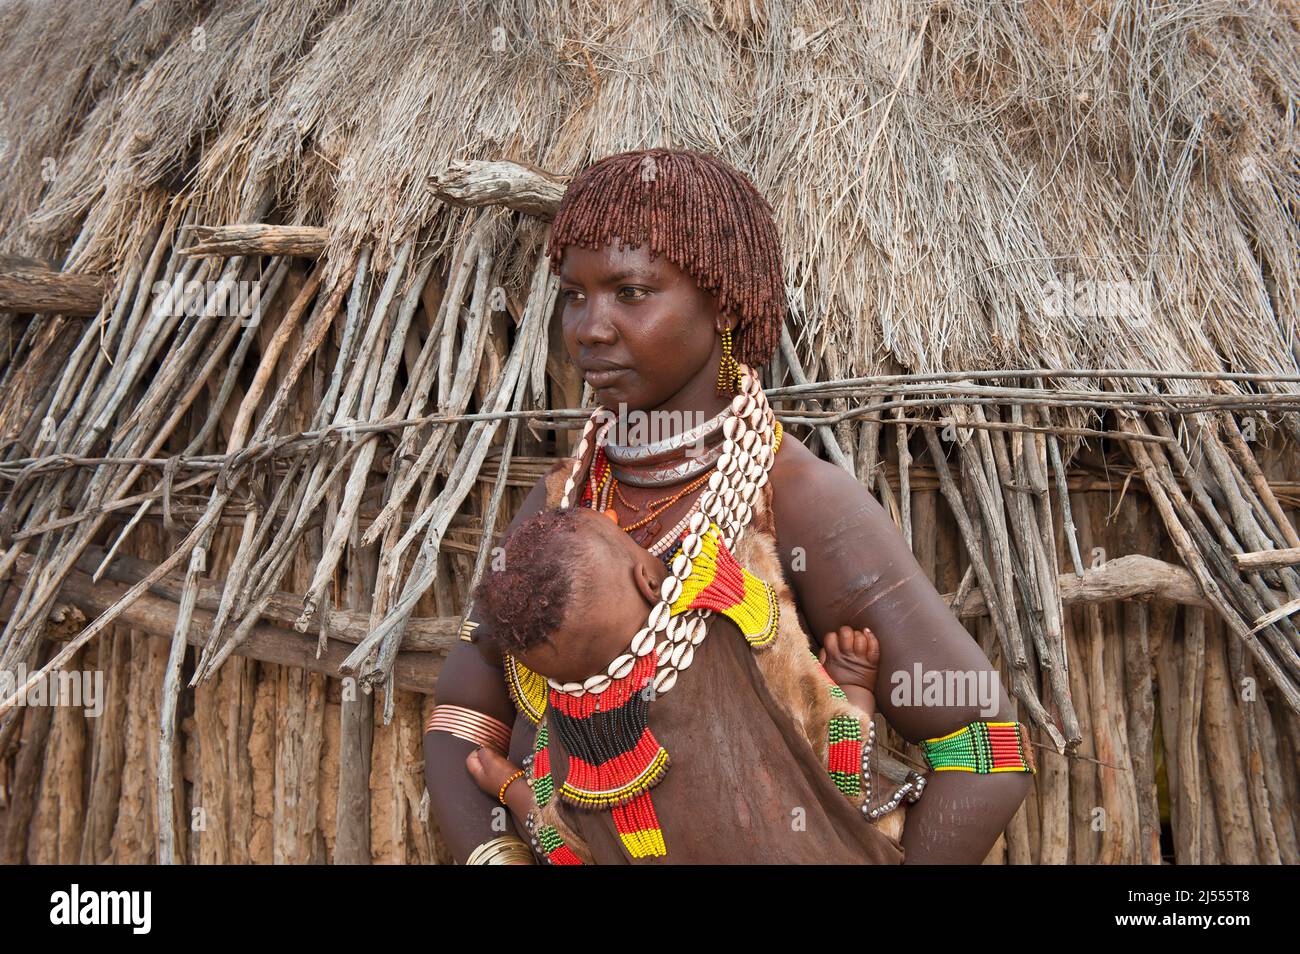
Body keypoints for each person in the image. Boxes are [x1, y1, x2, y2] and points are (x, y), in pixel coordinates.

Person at [423, 148, 1034, 866]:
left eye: (629, 291)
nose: (589, 326)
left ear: (722, 301)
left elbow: (987, 753)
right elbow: (463, 719)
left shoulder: (798, 500)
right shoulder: (564, 499)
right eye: (574, 294)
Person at [461, 505, 898, 864]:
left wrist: (516, 795)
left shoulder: (558, 749)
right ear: (650, 581)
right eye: (620, 532)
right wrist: (851, 686)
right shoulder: (733, 629)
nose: (615, 513)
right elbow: (820, 721)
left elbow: (567, 854)